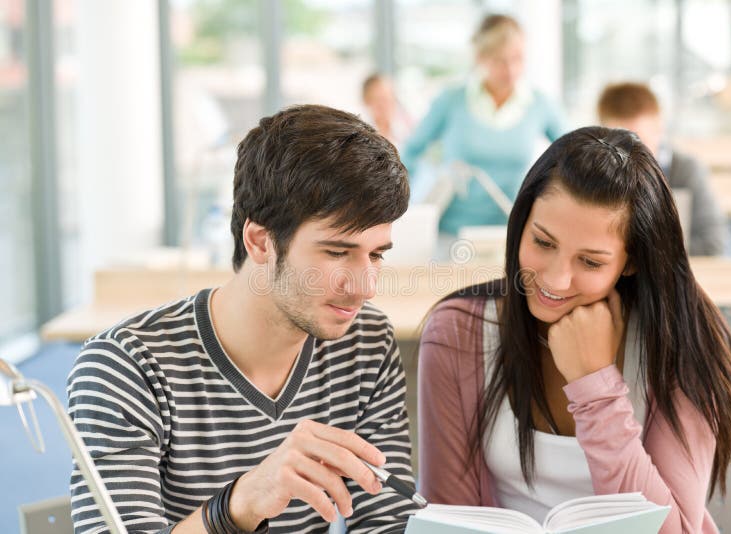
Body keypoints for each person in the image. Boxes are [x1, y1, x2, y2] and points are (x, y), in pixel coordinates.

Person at [68, 105, 417, 533]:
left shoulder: (366, 340)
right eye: (337, 253)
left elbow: (388, 523)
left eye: (376, 254)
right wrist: (239, 505)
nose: (365, 287)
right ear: (260, 241)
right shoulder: (124, 366)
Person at [417, 127, 731, 532]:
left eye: (589, 262)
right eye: (543, 242)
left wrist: (596, 387)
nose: (555, 280)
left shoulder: (687, 341)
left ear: (632, 261)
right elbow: (453, 520)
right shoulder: (457, 332)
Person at [402, 14, 566, 237]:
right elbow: (411, 151)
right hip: (451, 230)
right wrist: (401, 205)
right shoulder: (451, 100)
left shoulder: (539, 104)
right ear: (480, 57)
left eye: (517, 58)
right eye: (500, 60)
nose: (511, 70)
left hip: (512, 229)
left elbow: (574, 154)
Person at [598, 82, 728, 256]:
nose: (629, 154)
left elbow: (713, 245)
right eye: (618, 145)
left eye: (638, 142)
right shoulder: (595, 175)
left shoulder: (686, 171)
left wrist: (643, 257)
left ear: (659, 130)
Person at [362, 73, 413, 147]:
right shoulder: (362, 134)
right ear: (366, 101)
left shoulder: (407, 129)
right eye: (380, 99)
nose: (386, 105)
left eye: (389, 98)